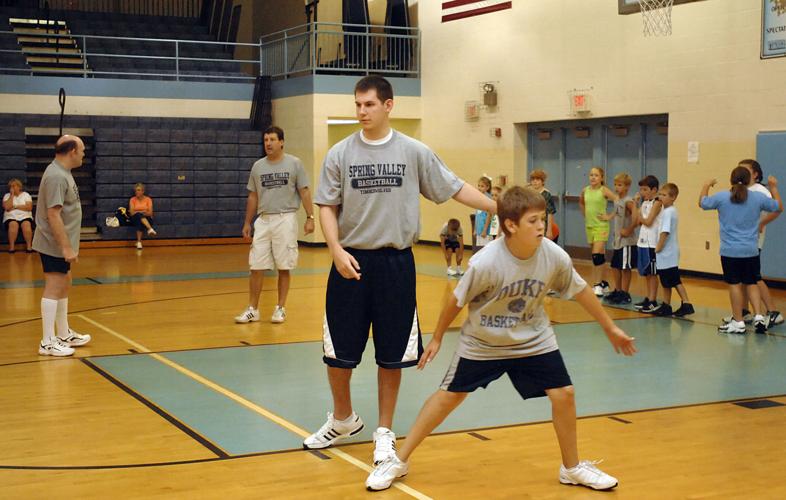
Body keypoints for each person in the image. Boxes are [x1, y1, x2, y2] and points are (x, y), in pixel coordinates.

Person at [364, 186, 637, 492]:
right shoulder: (487, 262)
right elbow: (456, 300)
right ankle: (398, 461)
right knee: (449, 396)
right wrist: (438, 338)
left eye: (542, 219)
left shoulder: (553, 255)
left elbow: (581, 290)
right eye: (533, 221)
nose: (541, 226)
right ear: (510, 225)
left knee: (564, 393)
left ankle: (571, 467)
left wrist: (610, 327)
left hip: (533, 339)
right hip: (484, 341)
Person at [304, 75, 496, 465]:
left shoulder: (413, 152)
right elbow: (326, 205)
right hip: (350, 262)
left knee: (391, 356)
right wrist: (335, 249)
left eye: (369, 104)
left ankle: (384, 432)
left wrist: (499, 207)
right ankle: (342, 419)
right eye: (357, 104)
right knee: (337, 353)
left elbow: (455, 187)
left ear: (388, 105)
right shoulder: (340, 153)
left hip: (395, 264)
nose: (361, 111)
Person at [235, 126, 314, 325]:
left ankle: (280, 308)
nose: (268, 143)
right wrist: (247, 222)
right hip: (263, 220)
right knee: (256, 265)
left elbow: (304, 191)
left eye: (272, 139)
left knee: (284, 265)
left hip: (285, 218)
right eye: (265, 140)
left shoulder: (294, 163)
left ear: (281, 142)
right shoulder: (258, 167)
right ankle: (253, 309)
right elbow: (253, 196)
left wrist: (310, 216)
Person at [699, 167, 782, 334]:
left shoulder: (722, 197)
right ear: (749, 180)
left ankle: (738, 321)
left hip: (730, 251)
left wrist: (706, 185)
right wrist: (773, 188)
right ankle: (759, 316)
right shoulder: (758, 197)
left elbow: (702, 203)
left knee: (735, 285)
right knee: (751, 283)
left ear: (731, 179)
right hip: (750, 250)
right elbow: (777, 207)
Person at [32, 135, 92, 356]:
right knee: (54, 285)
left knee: (64, 282)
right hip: (53, 242)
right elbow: (53, 215)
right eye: (82, 150)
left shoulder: (64, 172)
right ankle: (47, 341)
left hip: (61, 242)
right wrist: (65, 247)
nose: (84, 153)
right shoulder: (56, 176)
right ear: (72, 152)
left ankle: (64, 332)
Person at [719, 160, 783, 328]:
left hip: (752, 240)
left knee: (754, 278)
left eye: (746, 169)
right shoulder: (739, 191)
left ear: (755, 174)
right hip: (740, 241)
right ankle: (743, 312)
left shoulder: (760, 191)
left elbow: (775, 209)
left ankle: (772, 311)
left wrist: (761, 223)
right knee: (745, 279)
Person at [652, 183, 694, 317]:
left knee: (674, 280)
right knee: (666, 281)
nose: (661, 197)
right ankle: (666, 305)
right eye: (660, 194)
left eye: (664, 195)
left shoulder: (669, 213)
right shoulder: (667, 211)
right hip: (666, 254)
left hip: (667, 252)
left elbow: (665, 232)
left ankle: (687, 303)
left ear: (673, 197)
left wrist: (658, 246)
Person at [578, 166, 616, 296]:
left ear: (601, 178)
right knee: (598, 257)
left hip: (601, 226)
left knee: (596, 255)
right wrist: (586, 215)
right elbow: (582, 203)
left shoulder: (604, 190)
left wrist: (609, 216)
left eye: (596, 175)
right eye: (591, 175)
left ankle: (597, 285)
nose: (593, 177)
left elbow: (619, 201)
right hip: (590, 226)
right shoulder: (585, 190)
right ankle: (604, 283)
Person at [602, 173, 637, 304]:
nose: (617, 187)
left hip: (627, 242)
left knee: (625, 267)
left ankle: (625, 293)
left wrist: (629, 230)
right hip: (618, 240)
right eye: (616, 184)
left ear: (627, 187)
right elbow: (617, 214)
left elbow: (636, 217)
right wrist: (609, 217)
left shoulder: (629, 201)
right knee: (615, 266)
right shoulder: (617, 200)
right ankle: (618, 289)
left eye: (620, 185)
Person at [634, 175, 663, 313]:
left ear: (654, 189)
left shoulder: (657, 203)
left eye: (645, 189)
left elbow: (648, 221)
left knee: (652, 273)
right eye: (641, 189)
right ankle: (648, 297)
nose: (642, 192)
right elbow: (638, 220)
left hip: (652, 243)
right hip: (643, 242)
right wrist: (635, 205)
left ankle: (653, 299)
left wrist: (641, 218)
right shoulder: (645, 203)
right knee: (646, 273)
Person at [3, 178, 34, 253]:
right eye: (11, 186)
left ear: (19, 187)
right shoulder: (7, 196)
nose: (12, 188)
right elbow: (7, 207)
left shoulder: (26, 195)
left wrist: (16, 206)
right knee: (13, 225)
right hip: (11, 217)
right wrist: (12, 195)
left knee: (26, 225)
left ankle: (29, 247)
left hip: (25, 216)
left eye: (14, 186)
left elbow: (29, 207)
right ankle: (12, 248)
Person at [528, 169, 557, 241]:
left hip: (544, 224)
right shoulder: (529, 193)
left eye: (537, 179)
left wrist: (549, 230)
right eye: (533, 179)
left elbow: (550, 213)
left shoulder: (546, 194)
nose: (535, 181)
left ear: (542, 181)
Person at [128, 182, 156, 250]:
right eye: (136, 190)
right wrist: (141, 212)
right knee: (138, 216)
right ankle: (150, 229)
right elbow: (131, 212)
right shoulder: (132, 199)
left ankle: (139, 242)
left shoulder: (148, 199)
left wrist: (139, 212)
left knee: (140, 220)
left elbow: (150, 213)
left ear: (143, 191)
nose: (136, 192)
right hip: (134, 218)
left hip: (147, 218)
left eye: (138, 190)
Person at [474, 175, 494, 249]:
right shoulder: (478, 197)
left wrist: (485, 230)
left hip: (486, 231)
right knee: (480, 250)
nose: (479, 188)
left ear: (487, 187)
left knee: (487, 249)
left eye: (482, 186)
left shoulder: (488, 198)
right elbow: (477, 215)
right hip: (479, 229)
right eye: (478, 186)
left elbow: (489, 215)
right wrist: (475, 229)